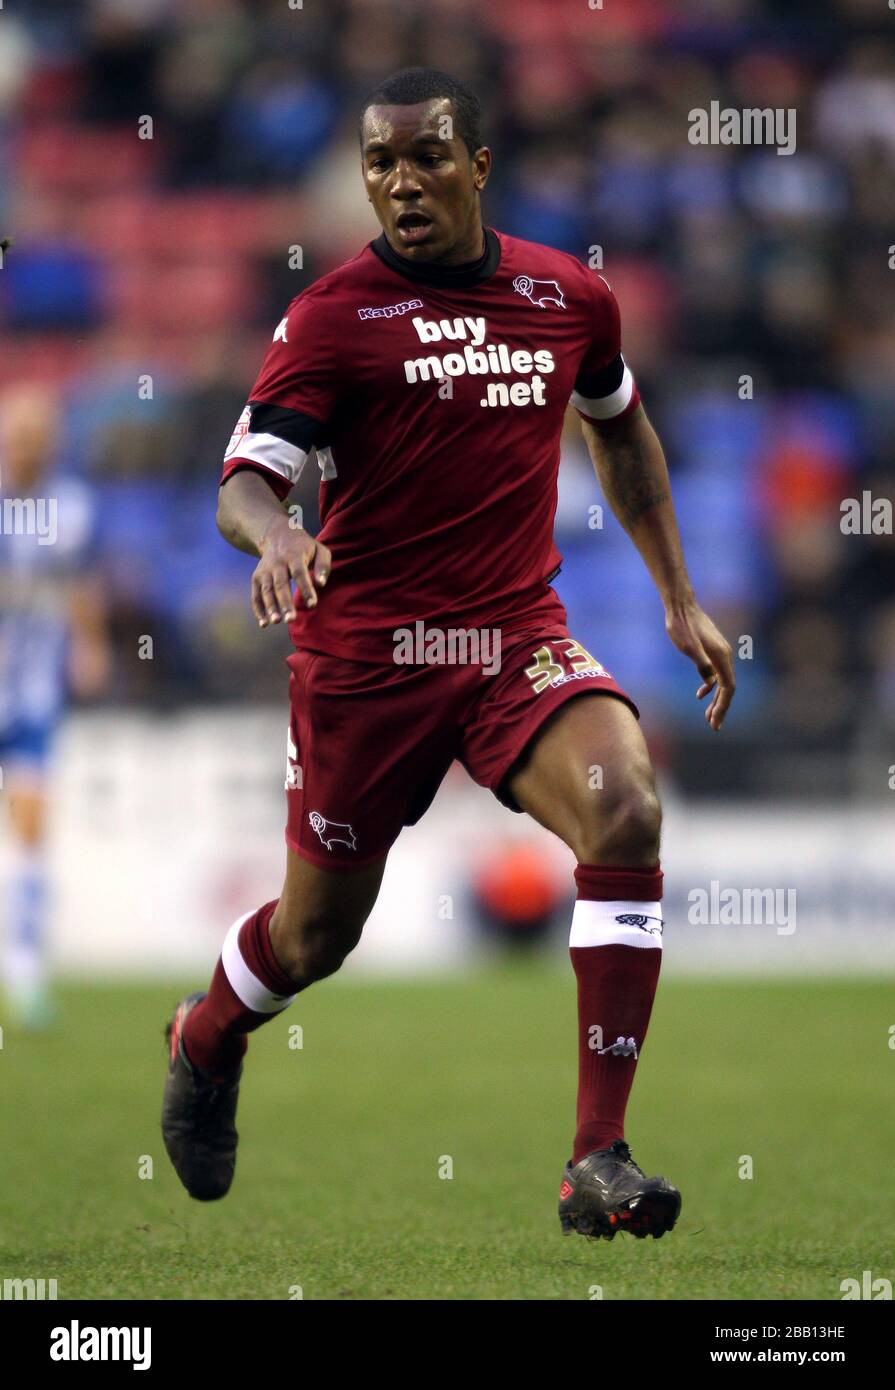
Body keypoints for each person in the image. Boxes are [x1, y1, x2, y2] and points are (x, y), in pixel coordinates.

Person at [161, 68, 735, 1241]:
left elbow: (618, 426)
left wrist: (679, 599)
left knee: (622, 806)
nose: (399, 182)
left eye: (424, 157)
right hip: (367, 660)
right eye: (379, 163)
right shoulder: (333, 316)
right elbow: (247, 478)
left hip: (510, 640)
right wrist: (278, 537)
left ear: (477, 165)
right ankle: (206, 1032)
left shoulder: (567, 297)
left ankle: (596, 1160)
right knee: (316, 938)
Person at [0, 384, 111, 1027]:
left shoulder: (70, 510)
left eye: (35, 439)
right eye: (16, 437)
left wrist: (88, 646)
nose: (24, 449)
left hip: (33, 696)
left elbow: (81, 584)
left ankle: (24, 969)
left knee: (33, 825)